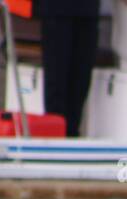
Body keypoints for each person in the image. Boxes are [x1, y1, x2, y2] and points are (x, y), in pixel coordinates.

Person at [38, 0, 101, 137]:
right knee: (57, 78)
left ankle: (71, 133)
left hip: (87, 10)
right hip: (57, 9)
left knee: (81, 79)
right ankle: (55, 133)